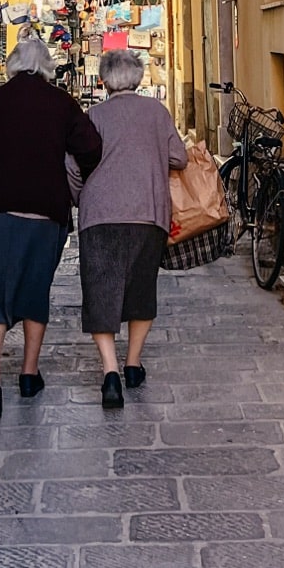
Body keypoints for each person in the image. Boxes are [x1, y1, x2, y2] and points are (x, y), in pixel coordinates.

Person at [0, 31, 103, 420]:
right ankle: (28, 373)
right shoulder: (62, 103)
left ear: (13, 66)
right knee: (35, 291)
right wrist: (75, 180)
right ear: (47, 68)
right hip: (44, 211)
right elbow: (92, 147)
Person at [76, 47, 189, 408]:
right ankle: (133, 364)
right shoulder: (157, 112)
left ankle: (110, 372)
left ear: (104, 80)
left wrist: (82, 198)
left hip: (100, 216)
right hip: (148, 213)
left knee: (100, 292)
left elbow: (72, 168)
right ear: (137, 78)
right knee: (141, 291)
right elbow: (179, 158)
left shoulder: (92, 116)